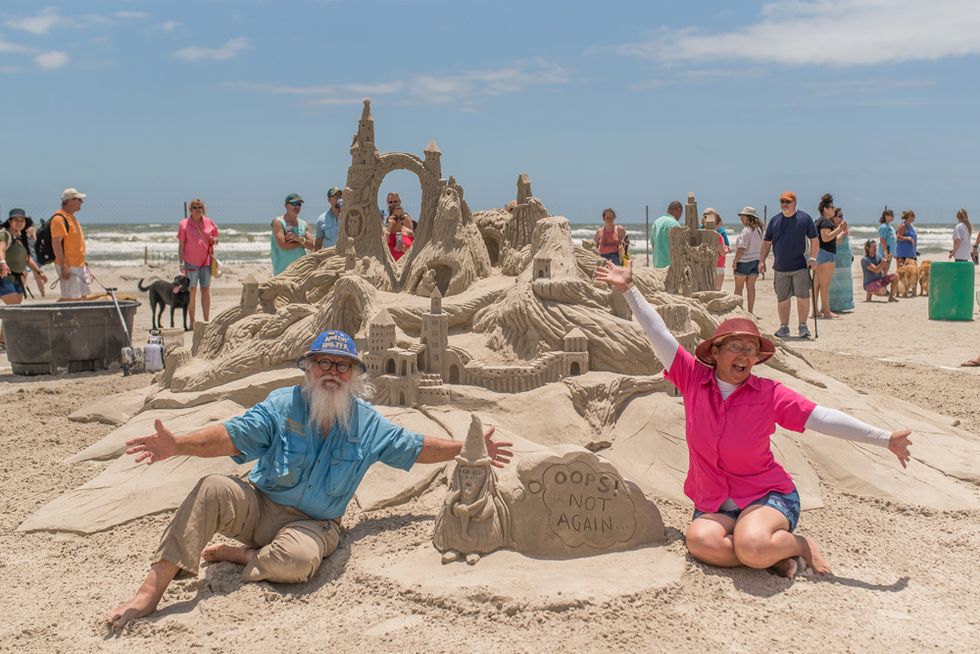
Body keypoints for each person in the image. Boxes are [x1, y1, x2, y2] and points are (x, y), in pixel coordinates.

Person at [105, 329, 513, 629]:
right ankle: (150, 592)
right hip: (259, 507)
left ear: (354, 374)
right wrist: (179, 443)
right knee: (213, 487)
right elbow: (231, 434)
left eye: (342, 365)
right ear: (308, 367)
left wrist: (467, 449)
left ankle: (243, 556)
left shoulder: (367, 424)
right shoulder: (283, 405)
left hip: (311, 526)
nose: (331, 372)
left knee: (299, 562)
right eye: (323, 363)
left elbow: (417, 446)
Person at [593, 260, 913, 578]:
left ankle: (799, 545)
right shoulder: (692, 379)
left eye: (751, 350)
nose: (746, 356)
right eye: (736, 347)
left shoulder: (769, 394)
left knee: (752, 544)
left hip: (766, 495)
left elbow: (822, 418)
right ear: (715, 352)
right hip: (715, 502)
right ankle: (771, 558)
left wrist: (885, 438)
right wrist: (630, 290)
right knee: (700, 542)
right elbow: (658, 334)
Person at [758, 192, 818, 339]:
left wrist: (813, 257)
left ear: (795, 202)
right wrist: (761, 261)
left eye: (788, 201)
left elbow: (814, 239)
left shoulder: (805, 219)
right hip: (780, 267)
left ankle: (803, 326)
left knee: (803, 296)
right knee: (782, 298)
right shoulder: (775, 221)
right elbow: (766, 243)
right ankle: (784, 327)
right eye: (782, 201)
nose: (784, 204)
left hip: (800, 266)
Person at [1, 209, 48, 350]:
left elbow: (27, 258)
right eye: (15, 220)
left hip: (17, 278)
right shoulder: (5, 234)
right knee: (14, 308)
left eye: (22, 220)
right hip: (4, 276)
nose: (19, 222)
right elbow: (1, 249)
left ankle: (3, 340)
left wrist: (39, 271)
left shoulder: (21, 238)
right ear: (10, 221)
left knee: (14, 309)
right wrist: (2, 263)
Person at [177, 199, 219, 324]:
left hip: (206, 261)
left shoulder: (209, 222)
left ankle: (206, 321)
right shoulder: (184, 224)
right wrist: (181, 262)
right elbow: (181, 245)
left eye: (200, 207)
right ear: (191, 209)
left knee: (205, 289)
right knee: (192, 290)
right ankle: (192, 322)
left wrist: (215, 241)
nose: (197, 209)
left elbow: (216, 238)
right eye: (195, 207)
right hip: (190, 262)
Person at [51, 187, 91, 301]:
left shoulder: (72, 218)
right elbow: (56, 243)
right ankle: (52, 316)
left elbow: (74, 243)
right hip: (68, 265)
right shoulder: (59, 219)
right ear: (70, 201)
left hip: (79, 265)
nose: (82, 202)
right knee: (71, 299)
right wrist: (64, 265)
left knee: (82, 298)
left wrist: (83, 261)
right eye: (79, 199)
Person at [813, 194, 847, 319]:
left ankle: (816, 310)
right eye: (832, 207)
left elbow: (829, 239)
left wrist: (840, 233)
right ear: (826, 209)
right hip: (826, 254)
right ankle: (826, 311)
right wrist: (839, 229)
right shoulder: (826, 221)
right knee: (825, 284)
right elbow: (826, 237)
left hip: (819, 252)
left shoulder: (818, 221)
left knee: (816, 284)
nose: (833, 210)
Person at [731, 206, 764, 315]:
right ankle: (750, 312)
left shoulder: (746, 231)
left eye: (743, 216)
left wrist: (735, 261)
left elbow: (741, 248)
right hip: (755, 261)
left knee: (738, 289)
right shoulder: (759, 230)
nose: (741, 218)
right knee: (751, 288)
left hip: (744, 262)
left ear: (748, 217)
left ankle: (739, 311)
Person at [270, 193, 312, 276]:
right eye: (293, 203)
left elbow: (311, 246)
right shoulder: (278, 222)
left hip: (302, 271)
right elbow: (283, 245)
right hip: (283, 271)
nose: (297, 207)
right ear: (285, 205)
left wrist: (298, 239)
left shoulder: (304, 224)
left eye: (299, 204)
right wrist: (301, 243)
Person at [829, 207, 855, 314]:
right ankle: (833, 306)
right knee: (835, 283)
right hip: (835, 259)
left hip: (845, 259)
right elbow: (834, 242)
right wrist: (843, 232)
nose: (841, 218)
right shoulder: (830, 228)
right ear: (833, 218)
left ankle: (845, 304)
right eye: (839, 216)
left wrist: (851, 254)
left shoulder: (843, 229)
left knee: (845, 282)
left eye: (842, 216)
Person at [650, 201, 683, 268]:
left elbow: (653, 244)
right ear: (678, 210)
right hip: (670, 267)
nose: (680, 216)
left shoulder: (657, 222)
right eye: (681, 213)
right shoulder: (674, 224)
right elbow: (678, 248)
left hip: (656, 266)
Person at [703, 208, 730, 290]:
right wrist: (727, 250)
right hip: (718, 266)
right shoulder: (717, 236)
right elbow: (722, 253)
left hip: (706, 266)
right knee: (717, 290)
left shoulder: (703, 233)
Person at [313, 187, 343, 251]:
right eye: (335, 196)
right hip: (329, 257)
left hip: (345, 256)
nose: (339, 199)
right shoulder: (321, 219)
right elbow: (318, 244)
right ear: (329, 200)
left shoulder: (348, 216)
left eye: (340, 196)